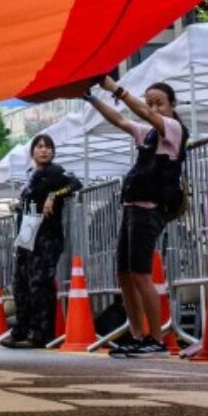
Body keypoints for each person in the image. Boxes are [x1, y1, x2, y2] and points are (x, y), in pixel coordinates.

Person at [88, 79, 184, 354]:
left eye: (159, 103)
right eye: (150, 101)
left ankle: (155, 338)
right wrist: (90, 99)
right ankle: (137, 334)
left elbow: (142, 114)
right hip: (131, 208)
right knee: (125, 275)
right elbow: (119, 119)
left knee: (141, 275)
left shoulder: (174, 129)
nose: (153, 107)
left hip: (149, 210)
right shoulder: (148, 134)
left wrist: (114, 88)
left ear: (172, 106)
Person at [1, 135, 80, 350]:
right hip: (27, 236)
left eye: (48, 147)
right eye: (39, 147)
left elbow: (75, 183)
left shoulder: (56, 171)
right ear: (32, 151)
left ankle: (40, 334)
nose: (44, 151)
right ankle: (21, 330)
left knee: (39, 285)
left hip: (48, 237)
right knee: (21, 285)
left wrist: (54, 195)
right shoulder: (31, 175)